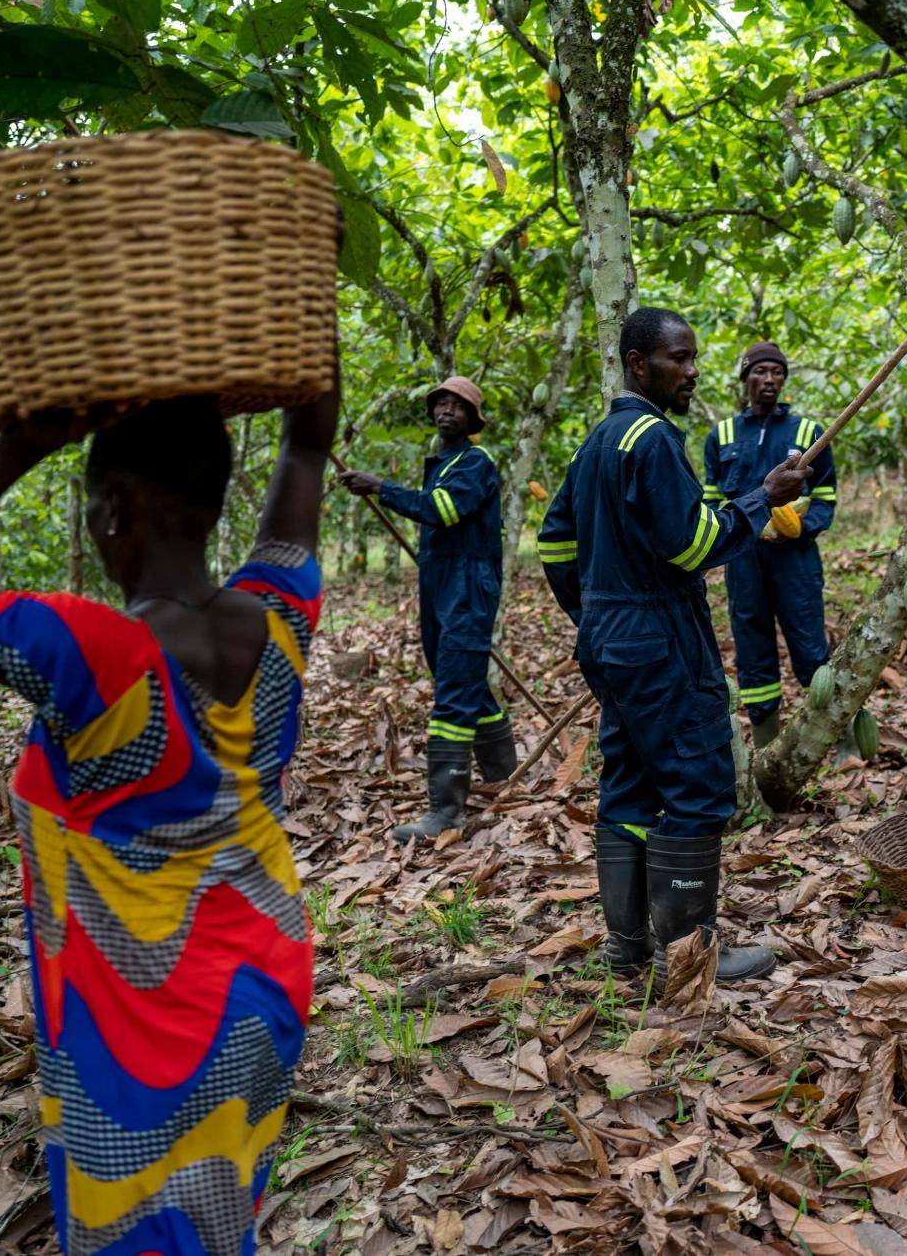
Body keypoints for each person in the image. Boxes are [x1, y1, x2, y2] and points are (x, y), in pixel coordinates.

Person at [0, 376, 337, 1253]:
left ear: (109, 513)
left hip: (148, 1019)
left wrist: (26, 440)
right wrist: (308, 341)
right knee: (221, 1209)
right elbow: (305, 447)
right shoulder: (278, 616)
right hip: (266, 976)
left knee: (140, 1231)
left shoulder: (98, 653)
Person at [537, 307, 809, 986]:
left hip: (611, 637)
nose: (691, 372)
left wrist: (594, 612)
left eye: (693, 359)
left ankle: (627, 948)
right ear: (638, 364)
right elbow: (691, 545)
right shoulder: (652, 439)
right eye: (678, 359)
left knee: (629, 781)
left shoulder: (596, 442)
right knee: (696, 780)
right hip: (658, 637)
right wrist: (763, 497)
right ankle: (686, 957)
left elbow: (555, 542)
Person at [339, 377, 516, 843]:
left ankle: (446, 811)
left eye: (457, 405)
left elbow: (442, 511)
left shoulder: (475, 463)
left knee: (455, 691)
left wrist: (381, 487)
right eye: (440, 403)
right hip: (440, 585)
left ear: (472, 418)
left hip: (467, 588)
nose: (446, 410)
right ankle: (505, 775)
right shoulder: (441, 464)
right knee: (463, 681)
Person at [702, 341, 838, 747]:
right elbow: (711, 499)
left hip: (795, 558)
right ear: (745, 378)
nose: (769, 379)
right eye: (760, 371)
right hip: (744, 559)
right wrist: (733, 530)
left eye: (777, 372)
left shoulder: (808, 432)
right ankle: (765, 739)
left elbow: (825, 494)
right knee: (751, 644)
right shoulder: (722, 434)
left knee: (809, 641)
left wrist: (802, 527)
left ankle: (830, 735)